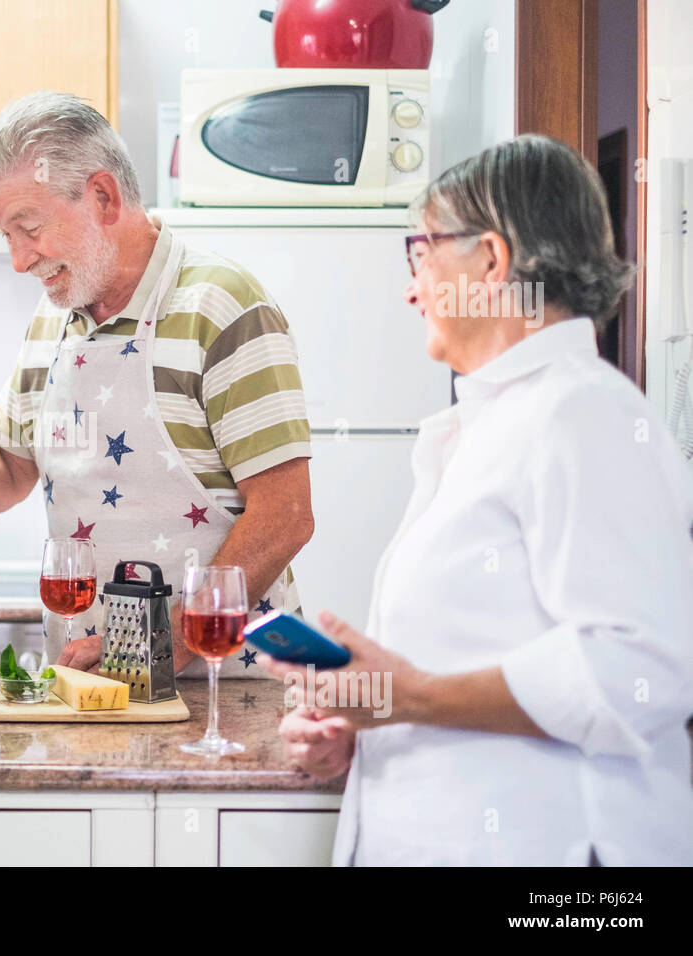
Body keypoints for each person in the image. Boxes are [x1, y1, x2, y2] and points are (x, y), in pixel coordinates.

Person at [260, 134, 693, 866]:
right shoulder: (497, 421)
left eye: (421, 253)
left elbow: (640, 674)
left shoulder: (584, 412)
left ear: (491, 261)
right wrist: (361, 728)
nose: (411, 287)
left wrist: (409, 696)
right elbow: (474, 660)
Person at [0, 91, 315, 676]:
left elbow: (287, 512)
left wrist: (163, 644)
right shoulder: (54, 318)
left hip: (227, 688)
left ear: (102, 196)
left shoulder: (222, 306)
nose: (20, 261)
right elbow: (8, 474)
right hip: (88, 684)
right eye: (5, 235)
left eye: (30, 228)